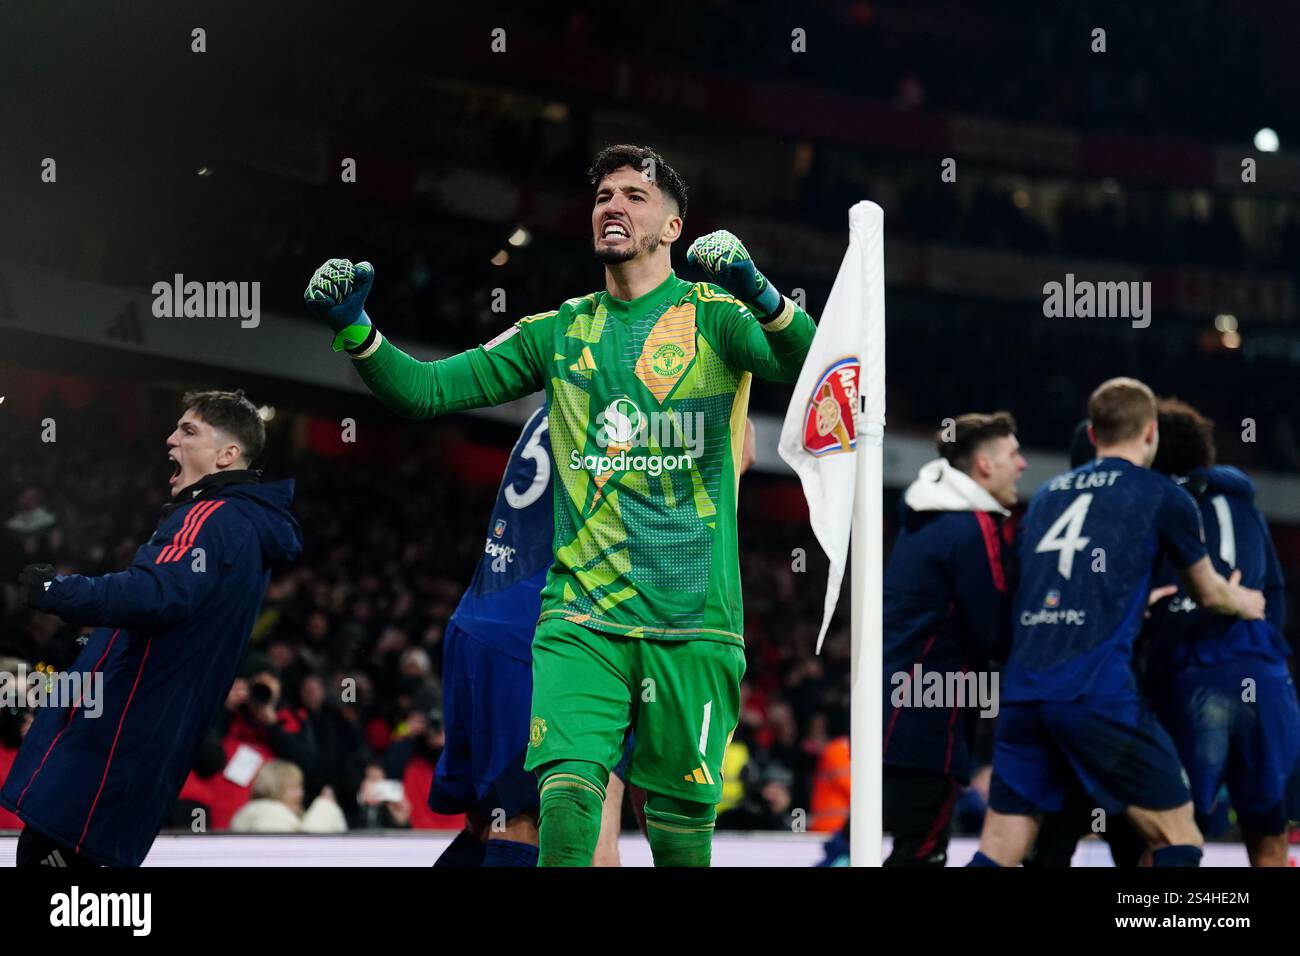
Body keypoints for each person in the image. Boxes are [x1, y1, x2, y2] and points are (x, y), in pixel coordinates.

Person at [304, 143, 816, 866]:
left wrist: (760, 291)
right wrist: (358, 331)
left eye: (635, 196)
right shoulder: (560, 329)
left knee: (680, 842)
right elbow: (425, 391)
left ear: (674, 227)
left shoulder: (716, 317)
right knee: (568, 800)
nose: (613, 205)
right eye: (605, 194)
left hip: (695, 621)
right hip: (582, 618)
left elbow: (809, 366)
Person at [972, 377, 1266, 868]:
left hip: (1023, 695)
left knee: (1000, 850)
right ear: (1150, 432)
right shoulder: (1165, 497)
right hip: (1095, 694)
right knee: (1179, 837)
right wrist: (1245, 601)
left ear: (1092, 435)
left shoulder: (1044, 496)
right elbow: (1208, 592)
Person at [2, 390, 302, 867]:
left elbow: (153, 592)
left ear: (227, 454)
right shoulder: (248, 529)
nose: (170, 440)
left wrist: (59, 590)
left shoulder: (211, 516)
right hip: (141, 756)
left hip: (111, 750)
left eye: (189, 431)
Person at [1145, 398, 1300, 866]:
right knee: (1269, 831)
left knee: (1167, 830)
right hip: (1265, 678)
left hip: (1191, 674)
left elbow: (1158, 599)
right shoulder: (1244, 503)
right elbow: (1274, 592)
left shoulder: (1158, 503)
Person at [882, 412, 1025, 865]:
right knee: (921, 855)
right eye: (1013, 454)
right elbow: (994, 632)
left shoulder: (921, 521)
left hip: (895, 710)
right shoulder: (973, 526)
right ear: (983, 465)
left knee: (911, 847)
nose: (1021, 465)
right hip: (930, 719)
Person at [229, 760, 348, 833]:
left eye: (301, 788)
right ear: (274, 789)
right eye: (294, 788)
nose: (301, 794)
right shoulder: (269, 816)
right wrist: (325, 808)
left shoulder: (253, 813)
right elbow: (301, 856)